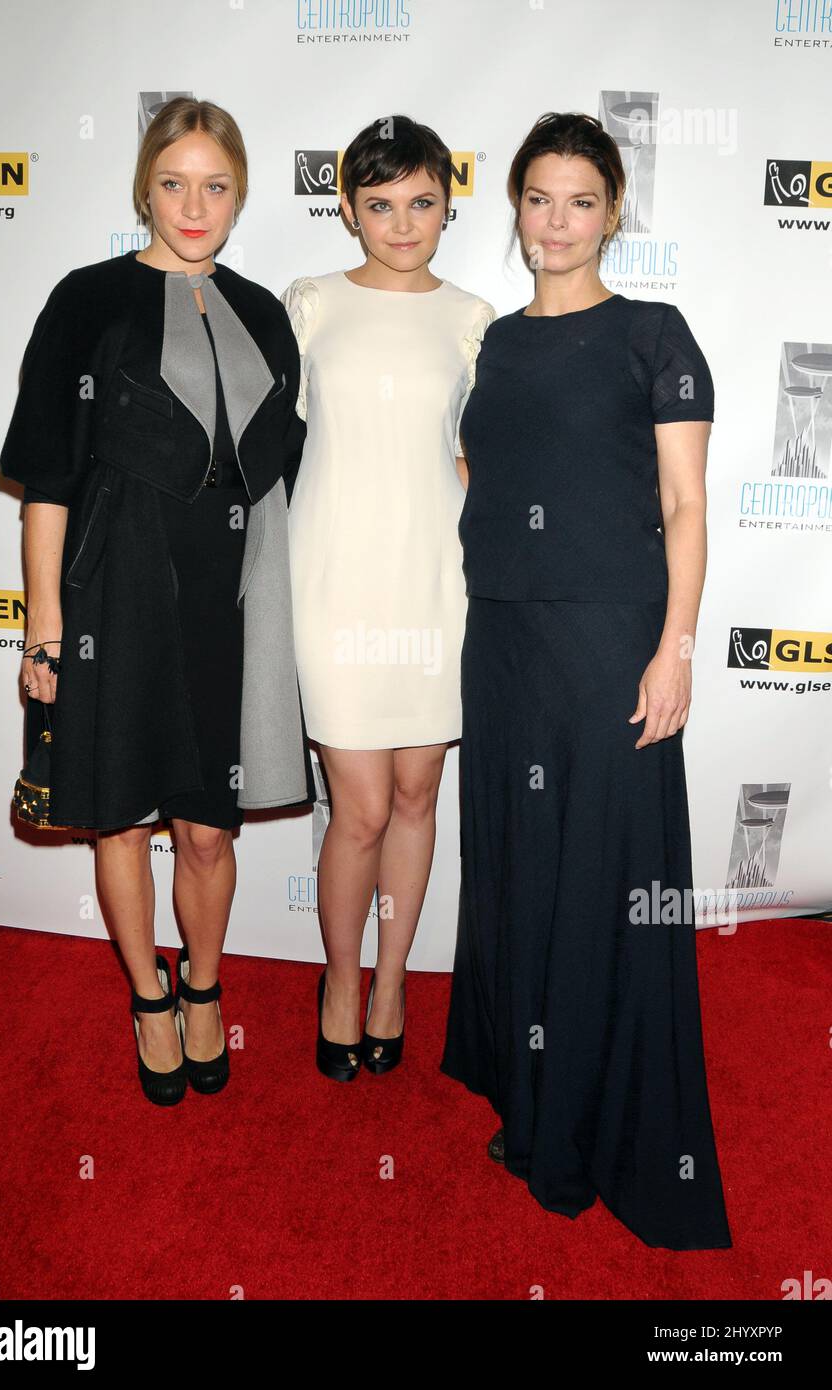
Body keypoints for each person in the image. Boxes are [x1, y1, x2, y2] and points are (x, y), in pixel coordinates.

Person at [439, 112, 732, 1250]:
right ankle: (530, 1091)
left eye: (581, 201)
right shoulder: (496, 344)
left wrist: (674, 648)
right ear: (513, 208)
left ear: (614, 212)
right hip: (501, 638)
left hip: (612, 640)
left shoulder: (655, 332)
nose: (557, 222)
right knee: (519, 865)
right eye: (538, 199)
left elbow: (686, 507)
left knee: (602, 873)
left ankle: (597, 1125)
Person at [0, 97, 316, 1106]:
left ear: (241, 195)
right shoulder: (86, 300)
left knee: (209, 828)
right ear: (143, 185)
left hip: (230, 603)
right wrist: (44, 627)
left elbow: (284, 475)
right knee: (124, 822)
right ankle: (147, 998)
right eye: (174, 182)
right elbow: (48, 476)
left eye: (215, 185)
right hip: (113, 594)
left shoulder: (265, 311)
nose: (194, 204)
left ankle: (205, 986)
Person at [280, 115, 494, 1080]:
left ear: (448, 205)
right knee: (357, 807)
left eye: (420, 203)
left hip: (434, 581)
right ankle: (340, 979)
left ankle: (395, 977)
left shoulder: (474, 317)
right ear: (349, 210)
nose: (402, 224)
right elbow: (265, 448)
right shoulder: (311, 304)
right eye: (379, 204)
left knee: (417, 794)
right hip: (332, 578)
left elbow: (484, 453)